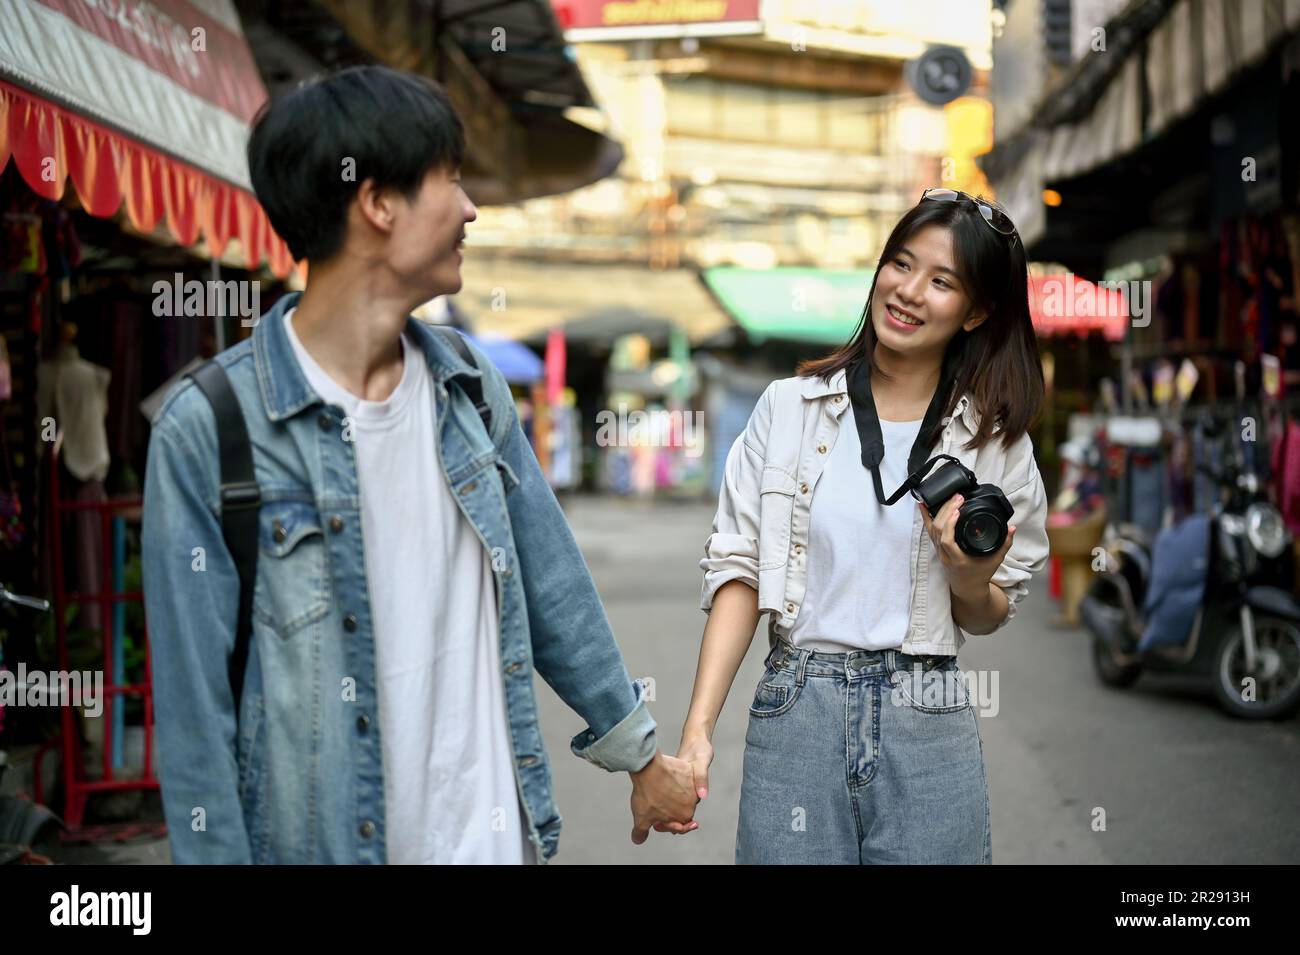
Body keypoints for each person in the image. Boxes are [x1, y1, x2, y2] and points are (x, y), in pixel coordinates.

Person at [141, 65, 698, 864]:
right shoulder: (211, 430)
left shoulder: (469, 390)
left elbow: (552, 584)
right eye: (451, 179)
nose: (472, 207)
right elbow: (196, 726)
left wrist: (643, 758)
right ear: (376, 201)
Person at [673, 189, 1050, 863]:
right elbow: (737, 569)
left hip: (928, 712)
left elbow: (991, 611)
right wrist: (697, 729)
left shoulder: (996, 441)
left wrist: (968, 577)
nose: (908, 291)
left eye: (941, 281)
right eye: (900, 264)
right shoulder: (786, 409)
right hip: (798, 710)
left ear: (977, 311)